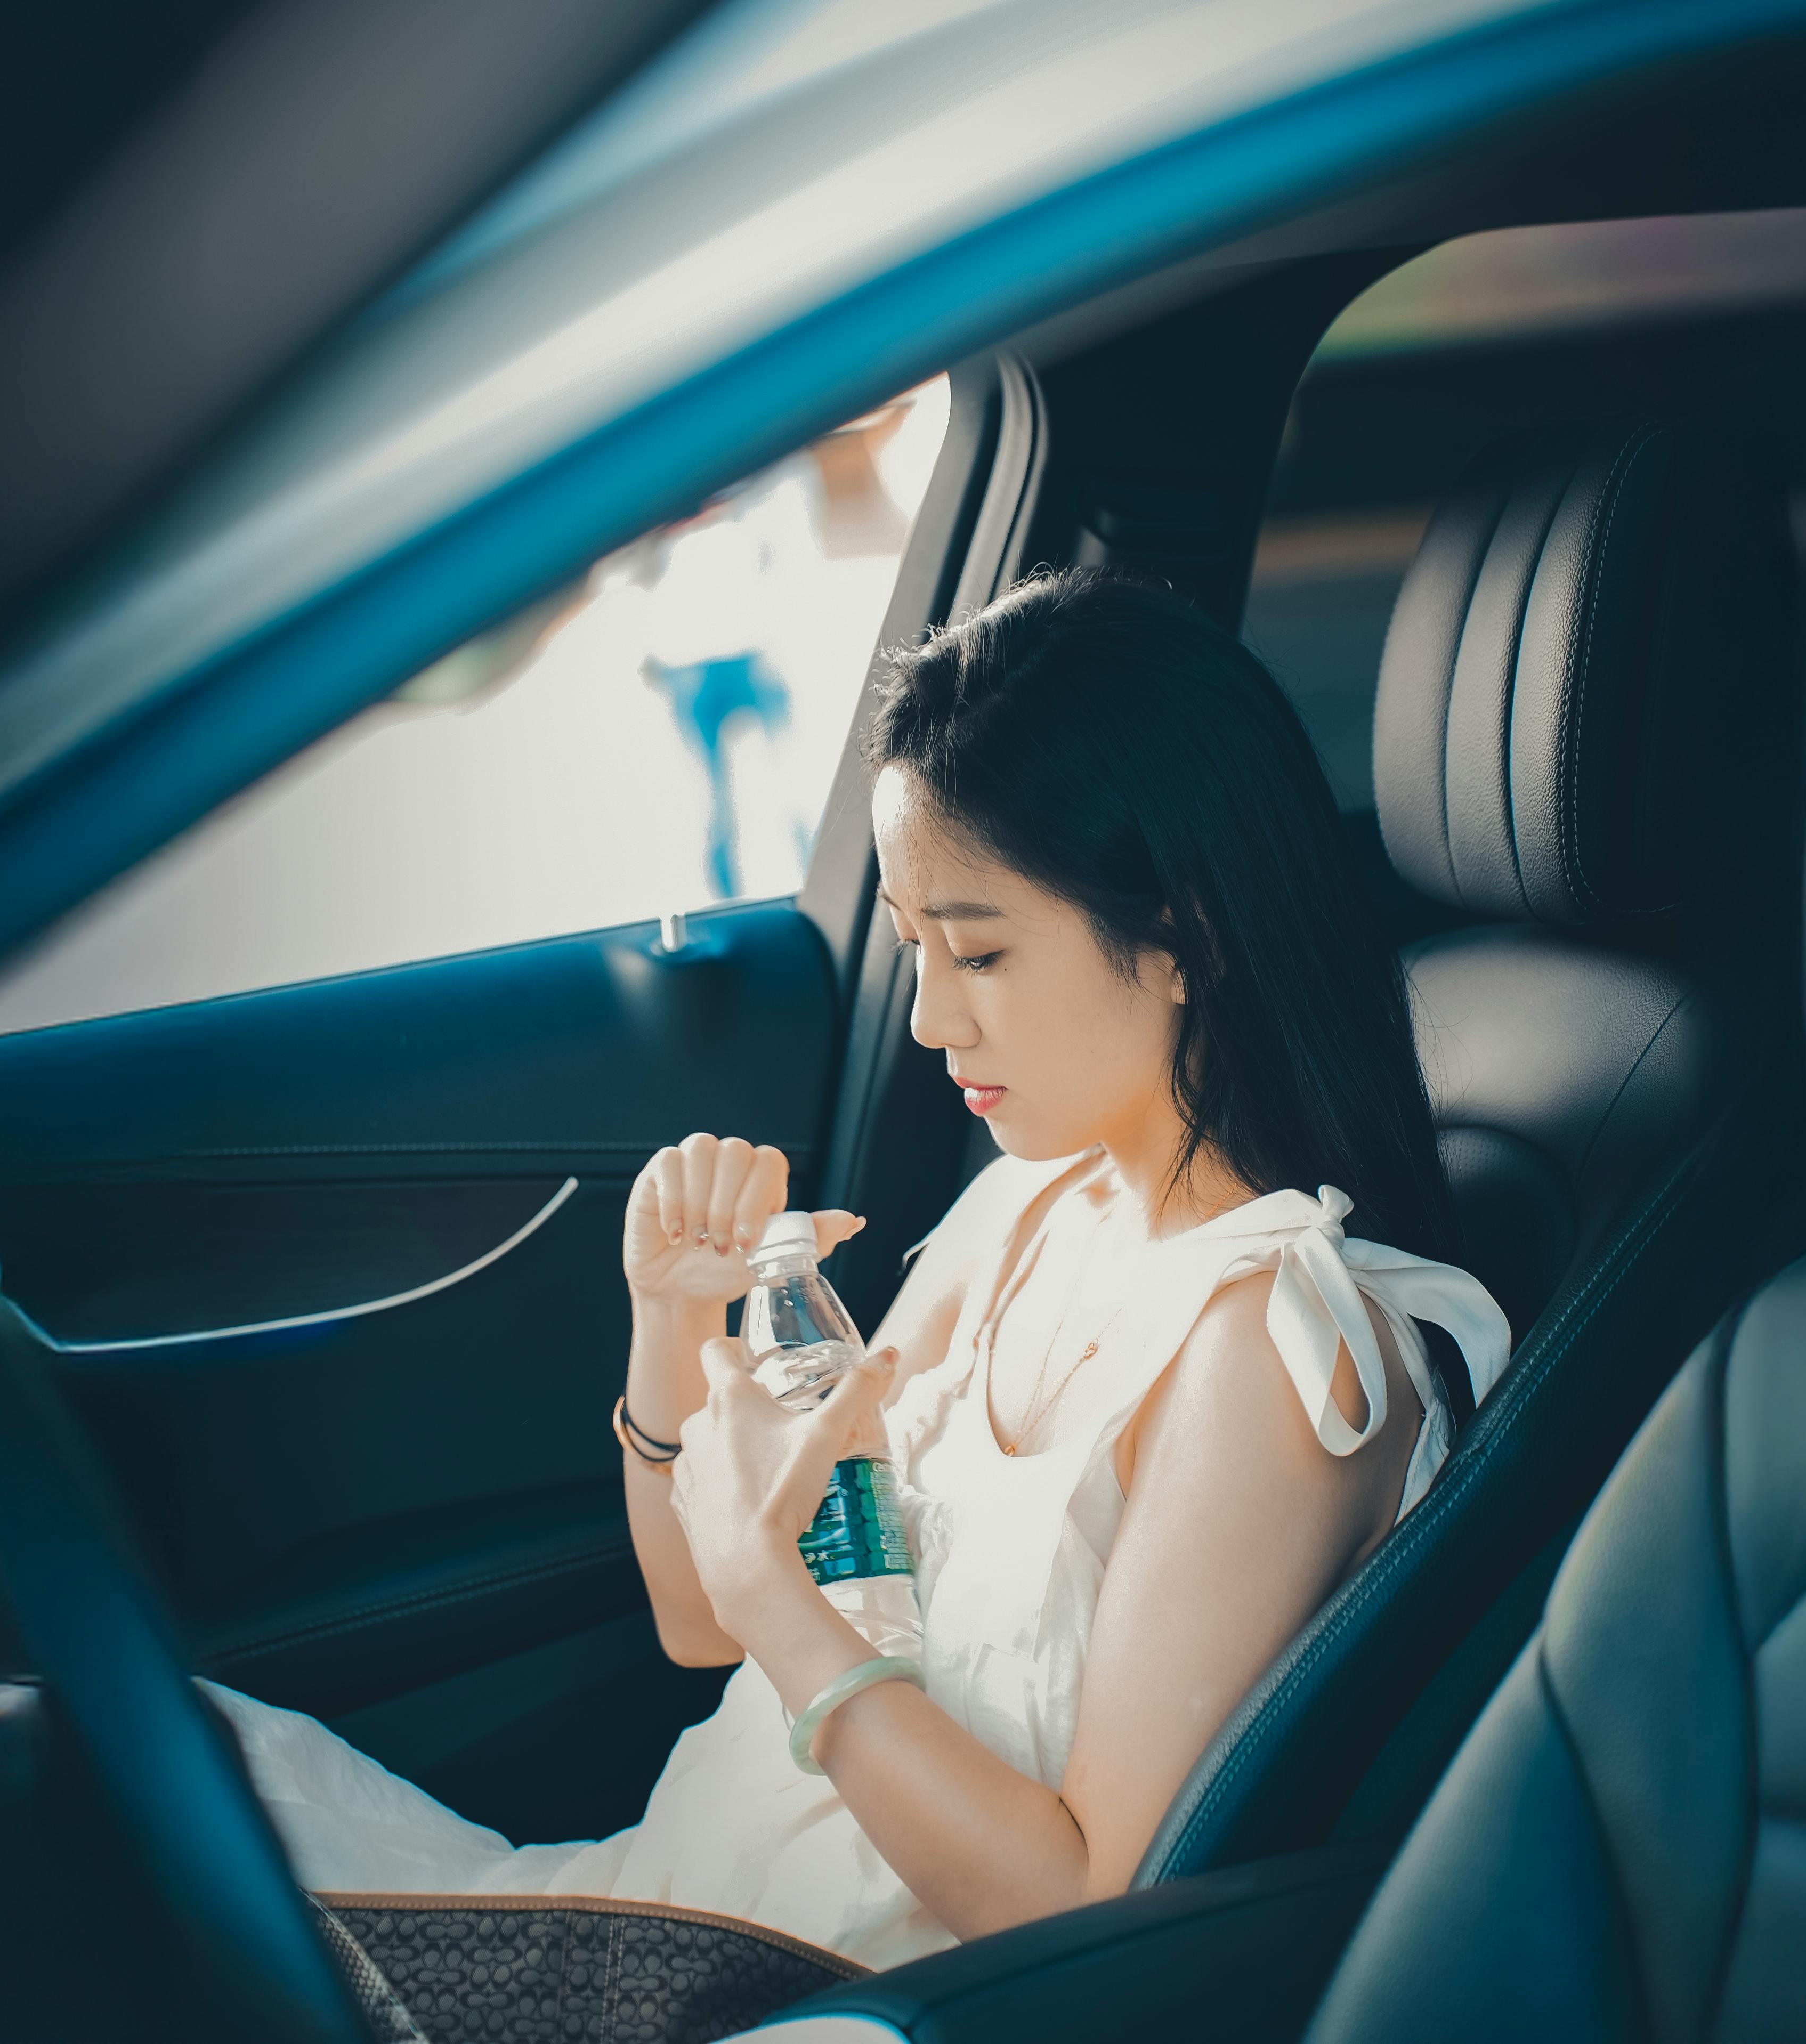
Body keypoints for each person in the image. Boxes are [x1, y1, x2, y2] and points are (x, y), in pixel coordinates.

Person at [205, 569, 1509, 1968]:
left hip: (800, 1991)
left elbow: (1087, 1917)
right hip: (651, 1908)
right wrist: (670, 1324)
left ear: (1182, 934)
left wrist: (787, 1606)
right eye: (912, 947)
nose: (936, 1016)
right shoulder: (1020, 1217)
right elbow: (706, 1619)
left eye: (982, 953)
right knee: (133, 1774)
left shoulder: (1266, 1351)